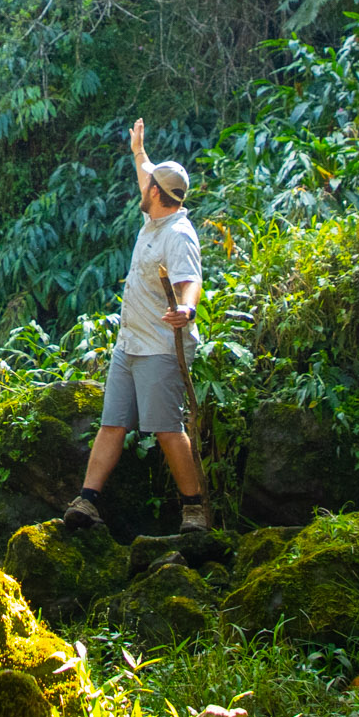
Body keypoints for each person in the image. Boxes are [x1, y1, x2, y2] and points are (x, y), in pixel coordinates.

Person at [63, 119, 212, 534]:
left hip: (162, 347)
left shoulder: (178, 234)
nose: (140, 188)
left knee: (166, 429)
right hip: (130, 344)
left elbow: (190, 280)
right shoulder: (157, 214)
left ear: (156, 195)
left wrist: (186, 309)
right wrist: (138, 150)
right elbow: (147, 171)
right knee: (113, 423)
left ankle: (194, 509)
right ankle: (87, 500)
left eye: (147, 185)